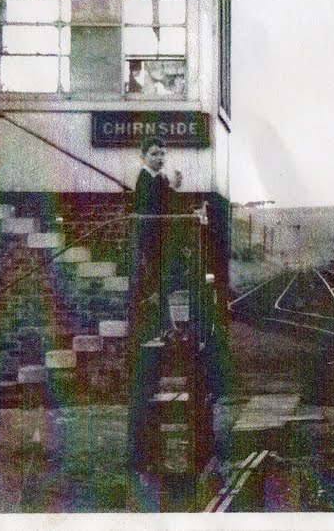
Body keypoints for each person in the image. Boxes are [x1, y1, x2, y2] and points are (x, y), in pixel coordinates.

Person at [128, 139, 182, 472]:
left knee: (165, 286)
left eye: (162, 153)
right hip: (150, 246)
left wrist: (174, 188)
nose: (159, 157)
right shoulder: (144, 180)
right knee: (156, 286)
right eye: (154, 154)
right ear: (144, 156)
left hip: (160, 244)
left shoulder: (159, 180)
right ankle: (165, 324)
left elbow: (169, 204)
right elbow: (151, 212)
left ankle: (168, 324)